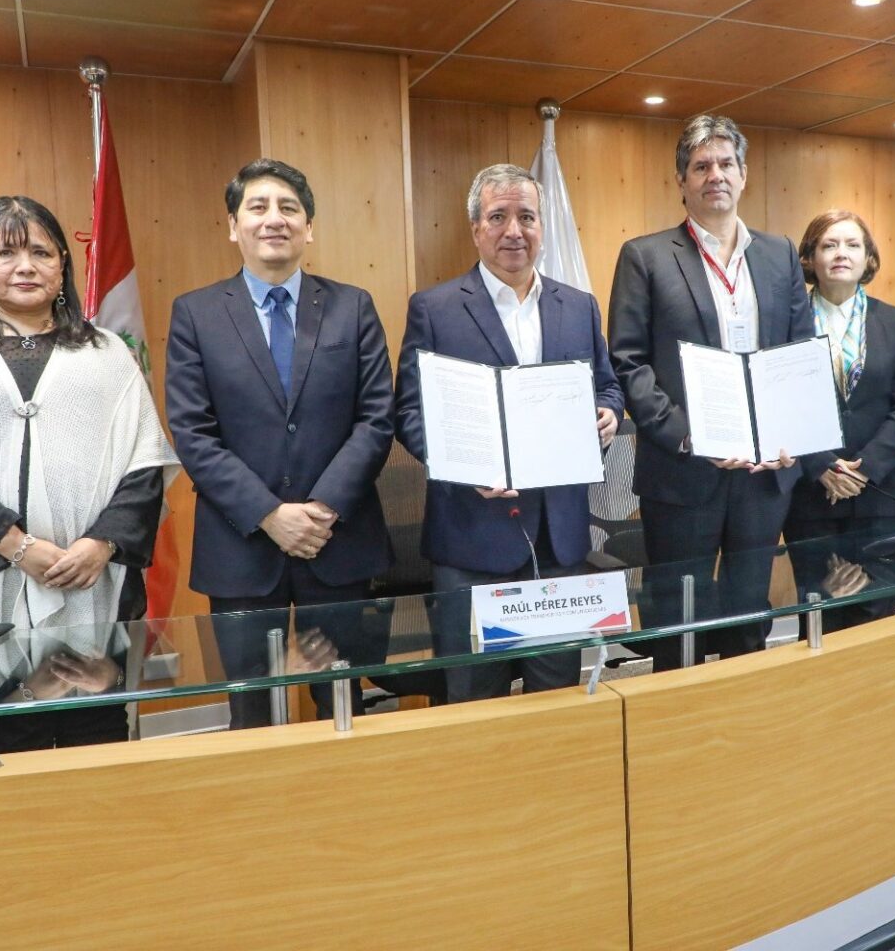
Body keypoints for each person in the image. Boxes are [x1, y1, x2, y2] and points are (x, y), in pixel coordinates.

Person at [0, 196, 179, 751]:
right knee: (1, 739)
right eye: (6, 252)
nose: (25, 266)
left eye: (40, 252)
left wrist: (100, 545)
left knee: (94, 736)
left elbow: (145, 462)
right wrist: (18, 546)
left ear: (62, 266)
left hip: (91, 583)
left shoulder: (105, 351)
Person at [165, 158, 394, 728]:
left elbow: (376, 418)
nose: (275, 219)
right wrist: (269, 515)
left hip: (335, 541)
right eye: (258, 207)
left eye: (289, 208)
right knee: (253, 707)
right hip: (241, 546)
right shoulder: (196, 314)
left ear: (309, 227)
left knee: (342, 700)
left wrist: (319, 510)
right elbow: (193, 432)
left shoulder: (353, 305)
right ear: (233, 225)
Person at [395, 163, 624, 702]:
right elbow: (410, 411)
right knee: (476, 696)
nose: (513, 231)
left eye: (526, 217)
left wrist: (609, 413)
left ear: (542, 226)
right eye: (498, 217)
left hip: (561, 539)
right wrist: (462, 465)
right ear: (476, 228)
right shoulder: (435, 308)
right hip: (471, 536)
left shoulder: (579, 306)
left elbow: (608, 386)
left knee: (557, 693)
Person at [608, 115, 815, 668]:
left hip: (764, 472)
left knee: (750, 616)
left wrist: (790, 433)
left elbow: (798, 356)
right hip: (683, 470)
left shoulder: (778, 254)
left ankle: (742, 738)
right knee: (679, 623)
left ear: (744, 175)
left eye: (726, 164)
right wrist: (687, 436)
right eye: (701, 166)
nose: (714, 175)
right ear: (682, 181)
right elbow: (628, 363)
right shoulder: (645, 256)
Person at [784, 210, 895, 632]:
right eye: (828, 245)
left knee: (875, 618)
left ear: (868, 259)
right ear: (809, 258)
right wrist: (821, 464)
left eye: (852, 245)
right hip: (811, 497)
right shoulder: (786, 324)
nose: (840, 253)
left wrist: (864, 469)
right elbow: (780, 404)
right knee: (822, 613)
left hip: (880, 494)